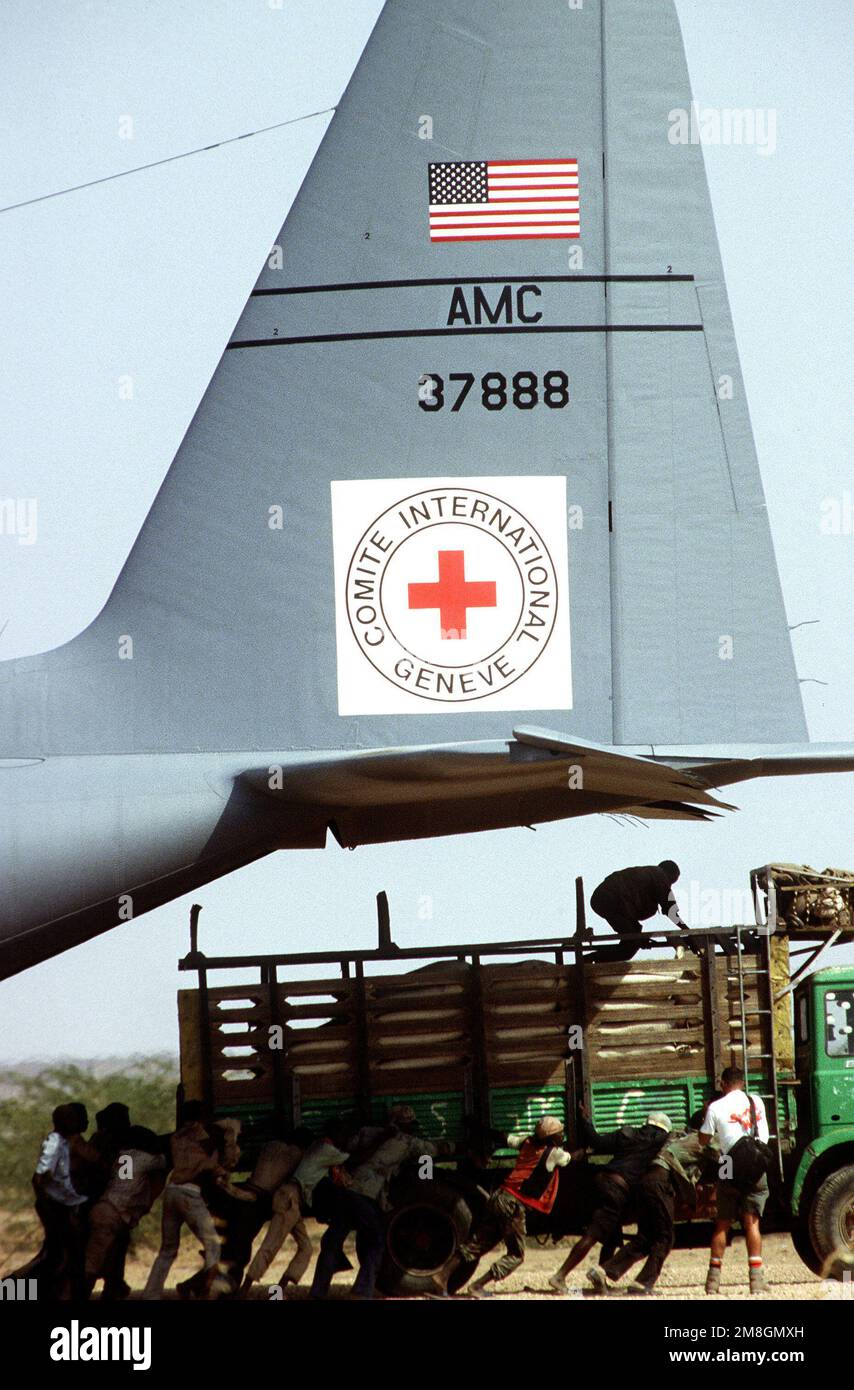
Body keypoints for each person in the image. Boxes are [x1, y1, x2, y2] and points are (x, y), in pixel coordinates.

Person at [310, 1104, 445, 1300]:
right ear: (406, 1125)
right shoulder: (407, 1141)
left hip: (346, 1190)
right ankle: (361, 1291)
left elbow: (346, 1149)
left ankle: (318, 1292)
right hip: (366, 1195)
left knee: (333, 1239)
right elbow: (432, 1150)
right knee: (377, 1241)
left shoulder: (366, 1132)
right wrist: (451, 1146)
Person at [435, 1116, 573, 1297]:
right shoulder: (555, 1154)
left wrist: (478, 1127)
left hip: (499, 1197)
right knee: (516, 1255)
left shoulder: (527, 1142)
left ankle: (441, 1276)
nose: (562, 1136)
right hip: (513, 1205)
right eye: (559, 1134)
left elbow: (503, 1137)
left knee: (477, 1243)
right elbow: (568, 1159)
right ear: (551, 1138)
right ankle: (477, 1286)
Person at [549, 1105, 672, 1291]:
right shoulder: (660, 1140)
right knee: (594, 1233)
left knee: (612, 1233)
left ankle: (601, 1279)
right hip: (617, 1189)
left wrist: (586, 1120)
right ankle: (560, 1276)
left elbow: (596, 1141)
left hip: (603, 1180)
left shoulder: (627, 1134)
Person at [592, 1121, 711, 1295]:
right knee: (665, 1237)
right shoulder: (708, 1140)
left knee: (646, 1236)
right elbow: (723, 1161)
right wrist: (730, 1177)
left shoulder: (678, 1136)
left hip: (645, 1181)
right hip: (660, 1182)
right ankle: (643, 1283)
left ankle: (603, 1271)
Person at [699, 1066, 770, 1294]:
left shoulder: (716, 1107)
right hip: (756, 1164)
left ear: (723, 1084)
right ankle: (756, 1282)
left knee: (722, 1222)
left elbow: (703, 1140)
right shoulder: (756, 1101)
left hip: (728, 1163)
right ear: (742, 1082)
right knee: (752, 1222)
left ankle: (713, 1282)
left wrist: (706, 1116)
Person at [142, 1101, 223, 1299]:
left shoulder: (175, 1138)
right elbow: (212, 1165)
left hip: (171, 1192)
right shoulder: (205, 1137)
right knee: (213, 1244)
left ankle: (150, 1295)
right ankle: (207, 1290)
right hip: (190, 1193)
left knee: (167, 1249)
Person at [84, 1126, 167, 1298]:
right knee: (92, 1265)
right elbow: (165, 1160)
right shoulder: (147, 1159)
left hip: (104, 1209)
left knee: (103, 1260)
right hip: (113, 1213)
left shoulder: (121, 1156)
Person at [237, 1126, 314, 1296]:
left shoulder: (270, 1146)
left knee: (305, 1247)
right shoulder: (298, 1155)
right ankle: (246, 1289)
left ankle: (279, 1289)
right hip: (287, 1202)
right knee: (271, 1245)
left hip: (277, 1199)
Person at [29, 1103, 90, 1299]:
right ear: (63, 1121)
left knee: (59, 1255)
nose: (78, 1122)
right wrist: (51, 1209)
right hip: (55, 1207)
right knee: (63, 1256)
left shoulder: (63, 1142)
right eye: (73, 1118)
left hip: (58, 1206)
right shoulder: (56, 1143)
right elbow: (38, 1178)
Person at [587, 861, 694, 963]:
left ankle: (590, 959)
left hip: (601, 899)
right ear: (668, 873)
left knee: (631, 942)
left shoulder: (646, 874)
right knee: (632, 943)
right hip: (612, 899)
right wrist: (687, 931)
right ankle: (589, 959)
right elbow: (670, 910)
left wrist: (639, 937)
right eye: (671, 881)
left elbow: (629, 908)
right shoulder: (659, 875)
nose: (669, 886)